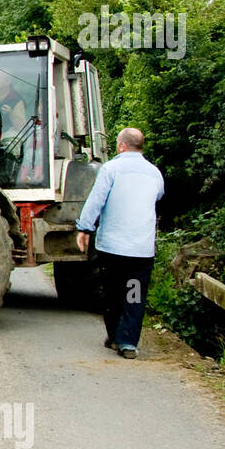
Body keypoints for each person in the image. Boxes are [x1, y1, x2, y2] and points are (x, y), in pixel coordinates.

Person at [75, 127, 165, 358]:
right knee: (134, 294)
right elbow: (158, 196)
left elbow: (96, 200)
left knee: (113, 292)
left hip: (113, 247)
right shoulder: (154, 173)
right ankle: (129, 343)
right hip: (141, 250)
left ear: (122, 146)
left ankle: (114, 336)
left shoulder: (111, 169)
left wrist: (85, 228)